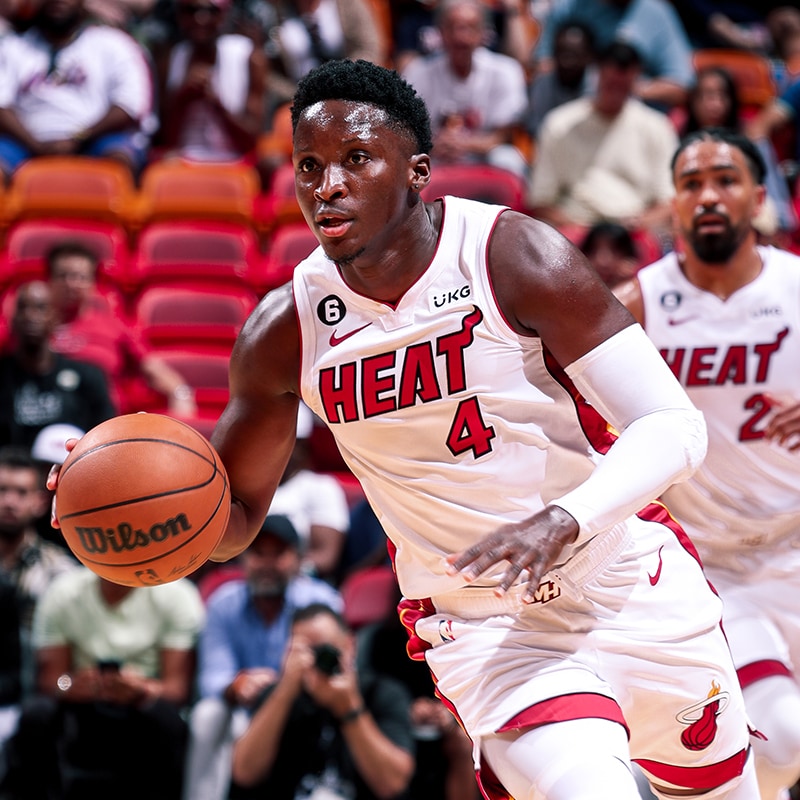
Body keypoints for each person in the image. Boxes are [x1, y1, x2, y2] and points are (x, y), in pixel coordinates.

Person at [50, 57, 761, 799]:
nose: (327, 185)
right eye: (308, 166)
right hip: (487, 624)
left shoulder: (512, 256)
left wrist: (562, 518)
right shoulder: (285, 330)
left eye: (355, 159)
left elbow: (674, 426)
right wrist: (110, 492)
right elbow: (229, 522)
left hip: (624, 580)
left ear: (417, 170)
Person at [613, 127, 800, 800]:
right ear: (673, 203)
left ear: (757, 195)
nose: (708, 196)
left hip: (797, 545)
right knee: (782, 743)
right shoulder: (639, 302)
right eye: (691, 184)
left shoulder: (796, 285)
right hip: (716, 568)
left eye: (724, 180)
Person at [0, 568, 205, 800]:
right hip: (81, 702)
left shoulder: (177, 595)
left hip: (142, 701)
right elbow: (51, 681)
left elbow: (177, 689)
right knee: (36, 713)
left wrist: (142, 689)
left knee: (167, 718)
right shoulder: (63, 591)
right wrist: (70, 684)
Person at [182, 514, 343, 800]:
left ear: (298, 558)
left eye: (278, 554)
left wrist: (280, 687)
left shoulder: (321, 602)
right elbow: (211, 679)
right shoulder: (223, 602)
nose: (267, 564)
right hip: (244, 708)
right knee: (208, 714)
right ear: (243, 557)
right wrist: (237, 684)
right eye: (258, 553)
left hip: (302, 706)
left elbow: (333, 669)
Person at [228, 602, 416, 799]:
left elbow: (394, 784)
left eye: (326, 651)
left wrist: (350, 709)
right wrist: (284, 692)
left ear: (350, 645)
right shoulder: (279, 695)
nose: (318, 662)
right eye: (307, 651)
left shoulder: (382, 693)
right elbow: (244, 773)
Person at [527, 40, 678, 238]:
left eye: (623, 85)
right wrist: (584, 232)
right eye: (610, 83)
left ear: (636, 79)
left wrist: (639, 225)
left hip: (635, 233)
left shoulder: (658, 127)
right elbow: (541, 202)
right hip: (575, 230)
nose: (615, 91)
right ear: (596, 76)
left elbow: (668, 201)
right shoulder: (559, 125)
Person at [0, 0, 154, 179]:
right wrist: (35, 145)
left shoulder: (114, 44)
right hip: (24, 142)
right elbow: (2, 107)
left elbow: (128, 106)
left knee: (118, 162)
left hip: (95, 139)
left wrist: (77, 138)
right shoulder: (12, 47)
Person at [46, 241, 198, 418]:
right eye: (63, 276)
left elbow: (155, 370)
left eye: (80, 277)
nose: (71, 284)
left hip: (102, 424)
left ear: (93, 284)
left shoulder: (113, 327)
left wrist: (180, 394)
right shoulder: (31, 328)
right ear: (49, 281)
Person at [401, 0, 529, 178]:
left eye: (470, 28)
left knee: (508, 159)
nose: (460, 37)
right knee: (406, 162)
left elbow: (503, 136)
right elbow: (408, 133)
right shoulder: (417, 72)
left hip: (483, 157)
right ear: (440, 32)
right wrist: (435, 146)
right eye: (453, 27)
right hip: (435, 156)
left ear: (484, 33)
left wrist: (464, 144)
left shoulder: (506, 70)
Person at [0, 281, 116, 450]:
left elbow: (106, 435)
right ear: (13, 319)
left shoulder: (88, 377)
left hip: (71, 468)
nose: (30, 316)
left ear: (55, 319)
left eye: (40, 308)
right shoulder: (3, 375)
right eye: (23, 308)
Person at [0, 445, 77, 697]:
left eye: (21, 493)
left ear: (40, 502)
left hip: (38, 694)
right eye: (2, 491)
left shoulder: (61, 571)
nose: (9, 502)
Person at [152, 0, 267, 164]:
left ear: (224, 14)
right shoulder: (170, 59)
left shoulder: (249, 57)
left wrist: (216, 104)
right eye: (190, 10)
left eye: (210, 10)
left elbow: (252, 139)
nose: (200, 19)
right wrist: (183, 98)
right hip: (181, 159)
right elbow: (162, 139)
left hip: (235, 161)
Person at [531, 0, 695, 111]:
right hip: (568, 109)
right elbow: (542, 64)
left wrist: (626, 87)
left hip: (630, 116)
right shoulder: (569, 6)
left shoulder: (656, 12)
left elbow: (681, 86)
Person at [267, 402, 350, 581]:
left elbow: (326, 556)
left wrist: (277, 567)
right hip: (246, 581)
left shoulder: (321, 487)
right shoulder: (251, 486)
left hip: (302, 581)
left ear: (301, 446)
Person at [523, 19, 595, 141]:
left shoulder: (598, 86)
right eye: (561, 53)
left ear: (588, 57)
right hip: (551, 147)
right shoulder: (543, 83)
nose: (566, 61)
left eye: (573, 55)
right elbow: (536, 128)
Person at [578, 220, 641, 289]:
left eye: (614, 251)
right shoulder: (574, 285)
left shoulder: (642, 287)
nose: (602, 262)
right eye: (594, 251)